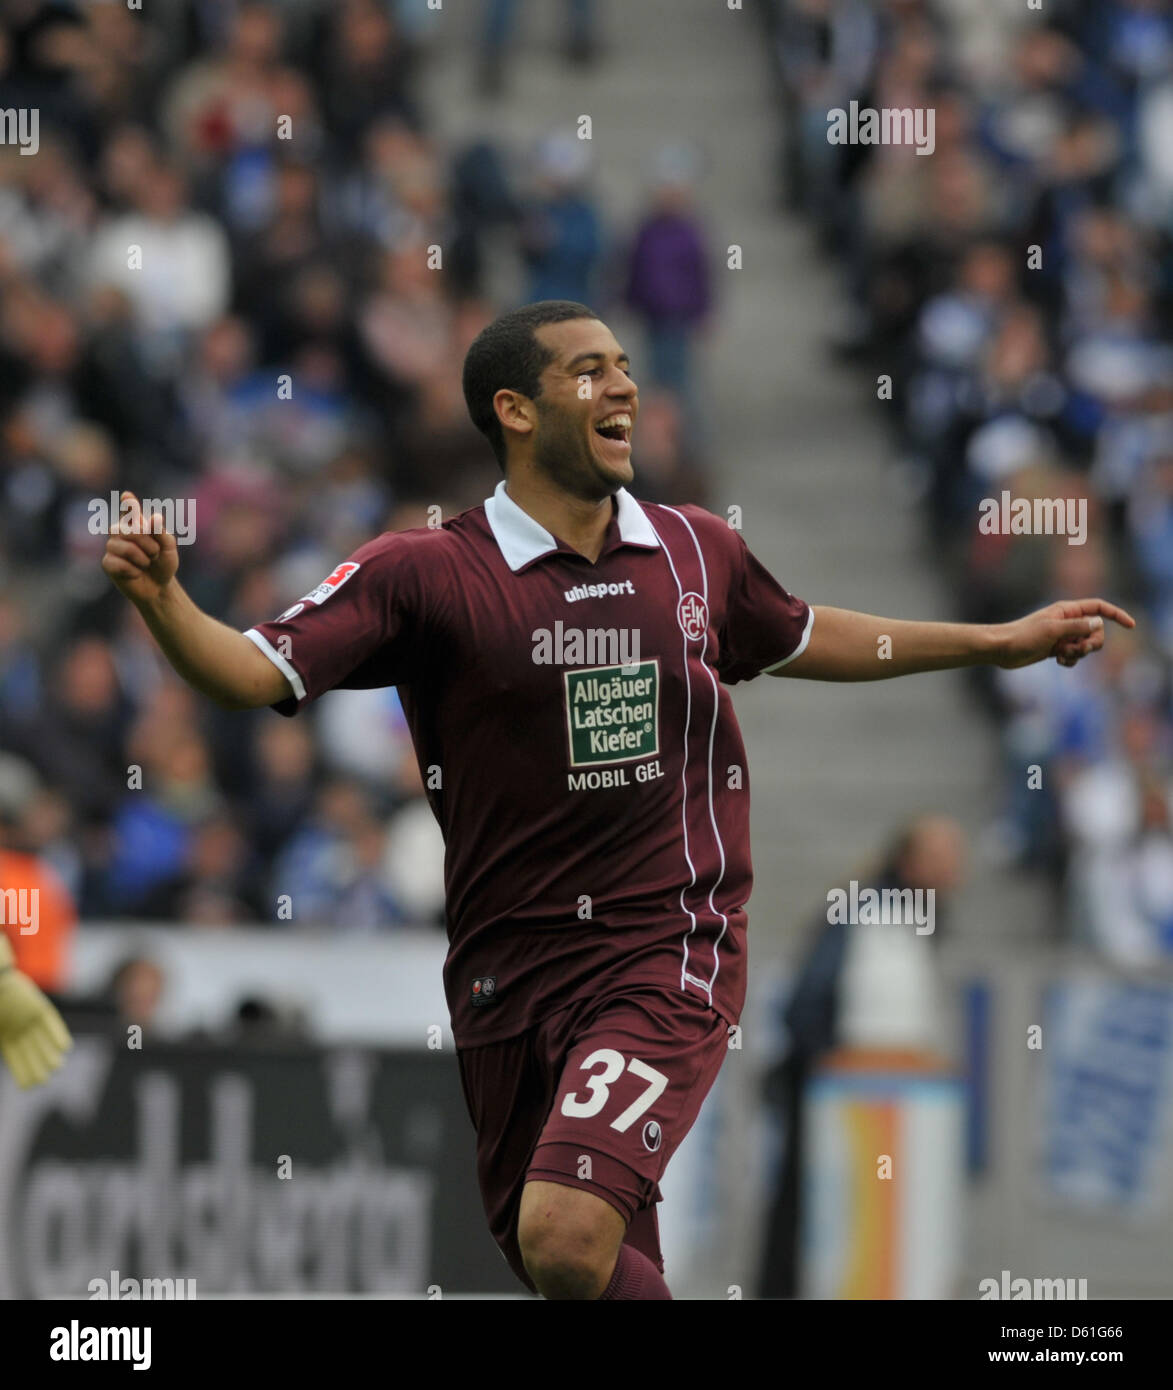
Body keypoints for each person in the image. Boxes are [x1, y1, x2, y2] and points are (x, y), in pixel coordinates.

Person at [97, 299, 1132, 1300]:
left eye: (629, 367)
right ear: (514, 408)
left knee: (563, 1228)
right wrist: (162, 601)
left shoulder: (691, 549)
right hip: (506, 976)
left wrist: (997, 642)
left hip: (663, 945)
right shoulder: (424, 574)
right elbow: (249, 669)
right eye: (589, 371)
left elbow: (810, 633)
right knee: (572, 1267)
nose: (625, 386)